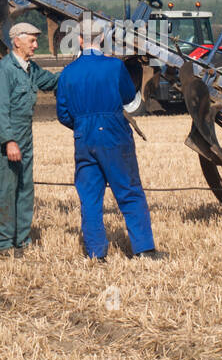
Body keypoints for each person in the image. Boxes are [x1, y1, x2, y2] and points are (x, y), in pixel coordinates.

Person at [56, 20, 162, 262]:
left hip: (83, 136)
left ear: (80, 40)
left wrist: (83, 125)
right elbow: (129, 99)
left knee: (90, 196)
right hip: (113, 132)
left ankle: (96, 253)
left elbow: (62, 114)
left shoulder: (68, 73)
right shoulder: (114, 67)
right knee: (128, 190)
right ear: (102, 38)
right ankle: (144, 249)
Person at [0, 22, 58, 257]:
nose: (36, 45)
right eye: (32, 41)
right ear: (17, 41)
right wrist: (9, 141)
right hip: (7, 141)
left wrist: (81, 67)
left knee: (25, 189)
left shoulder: (31, 69)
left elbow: (53, 82)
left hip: (25, 139)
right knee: (6, 189)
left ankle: (22, 241)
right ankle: (3, 244)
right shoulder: (4, 71)